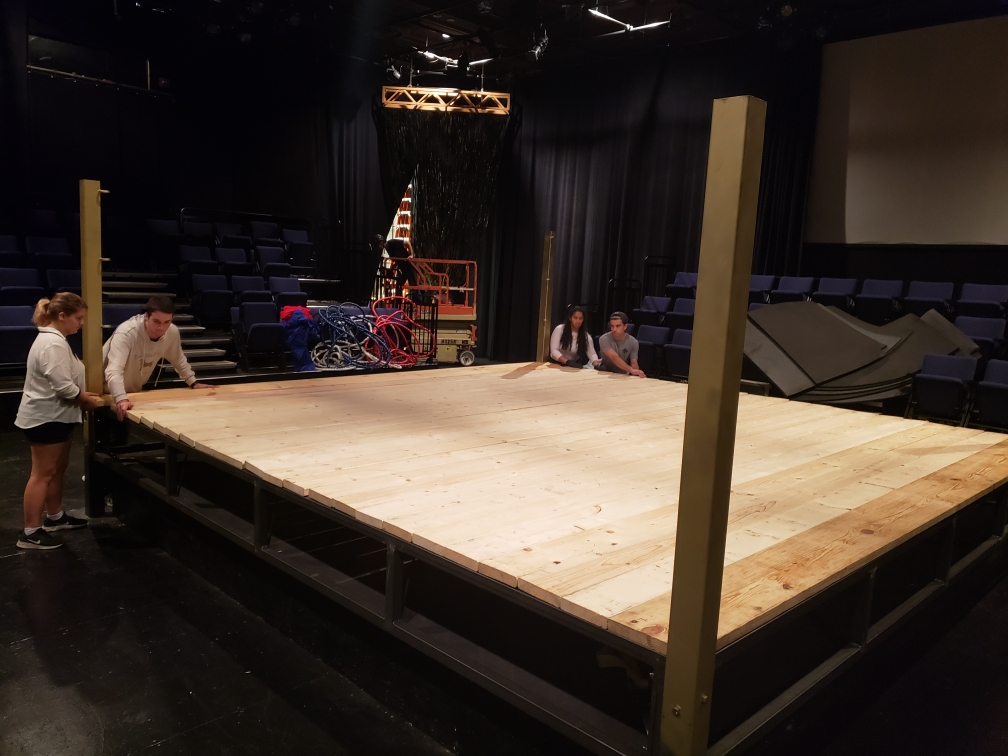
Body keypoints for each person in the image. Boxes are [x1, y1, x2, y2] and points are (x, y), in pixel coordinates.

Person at [14, 294, 102, 550]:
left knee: (56, 470)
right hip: (46, 418)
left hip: (57, 416)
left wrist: (82, 394)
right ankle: (30, 532)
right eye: (78, 318)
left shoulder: (57, 340)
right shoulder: (52, 343)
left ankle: (55, 517)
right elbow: (63, 386)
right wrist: (84, 399)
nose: (81, 323)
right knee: (42, 474)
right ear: (62, 316)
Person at [103, 295, 211, 422]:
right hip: (106, 393)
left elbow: (178, 359)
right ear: (146, 316)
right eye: (156, 322)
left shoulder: (172, 332)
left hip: (133, 393)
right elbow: (113, 371)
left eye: (167, 322)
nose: (161, 327)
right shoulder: (127, 333)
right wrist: (121, 398)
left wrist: (193, 382)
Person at [598, 311, 646, 377]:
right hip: (604, 373)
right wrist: (631, 370)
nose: (614, 329)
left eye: (618, 326)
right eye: (612, 326)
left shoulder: (633, 342)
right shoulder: (604, 339)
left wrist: (638, 373)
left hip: (622, 375)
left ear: (625, 326)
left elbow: (634, 363)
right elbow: (614, 357)